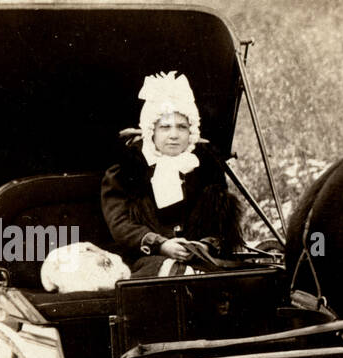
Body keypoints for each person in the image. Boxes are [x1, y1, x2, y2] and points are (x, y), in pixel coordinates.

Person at [101, 71, 244, 277]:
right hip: (143, 257)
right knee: (170, 272)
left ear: (191, 132)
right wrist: (161, 244)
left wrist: (203, 246)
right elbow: (120, 223)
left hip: (200, 257)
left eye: (182, 127)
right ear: (152, 131)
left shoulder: (203, 167)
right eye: (165, 127)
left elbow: (220, 224)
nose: (174, 135)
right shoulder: (126, 170)